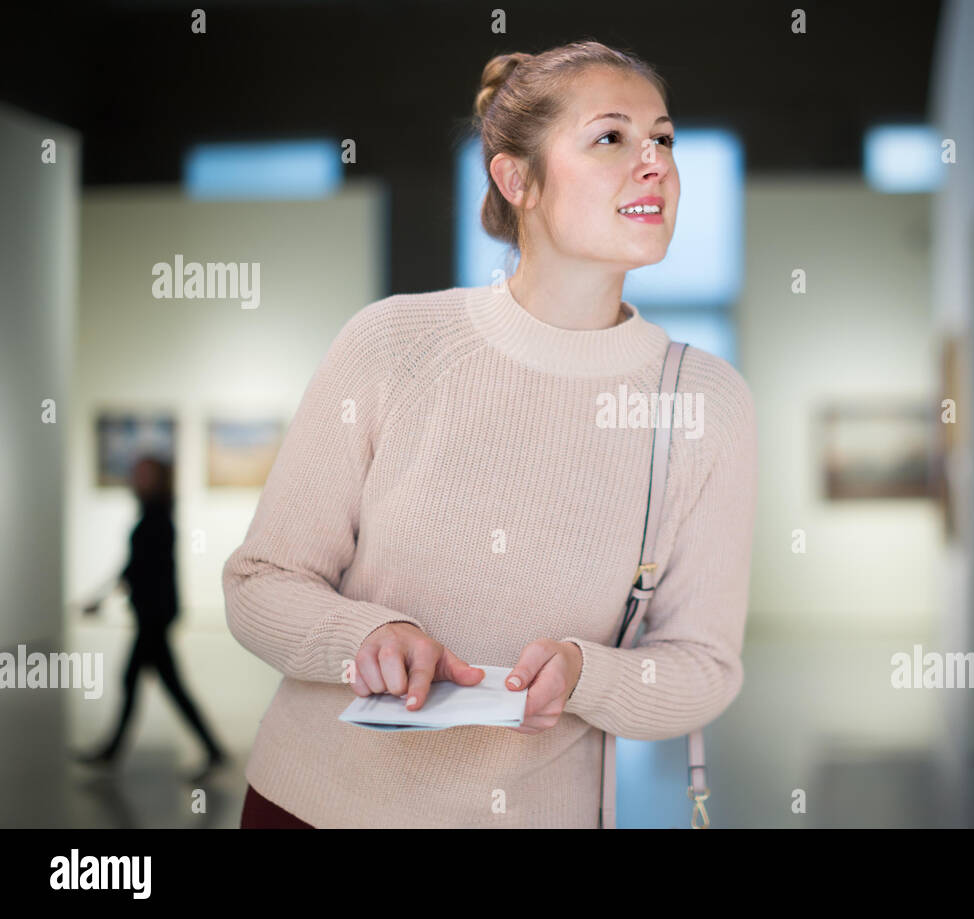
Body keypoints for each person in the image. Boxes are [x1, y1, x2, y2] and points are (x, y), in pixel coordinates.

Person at [223, 39, 758, 829]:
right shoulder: (393, 343)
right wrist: (368, 633)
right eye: (611, 137)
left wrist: (586, 675)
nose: (655, 163)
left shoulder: (706, 401)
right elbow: (259, 582)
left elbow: (704, 668)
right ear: (517, 178)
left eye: (664, 138)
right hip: (320, 805)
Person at [78, 456, 228, 782]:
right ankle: (211, 749)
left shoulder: (158, 517)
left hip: (154, 615)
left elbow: (138, 569)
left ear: (158, 479)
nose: (136, 477)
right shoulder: (153, 514)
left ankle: (113, 751)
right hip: (153, 613)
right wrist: (101, 597)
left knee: (140, 680)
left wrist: (103, 598)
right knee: (156, 682)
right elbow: (132, 567)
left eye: (143, 473)